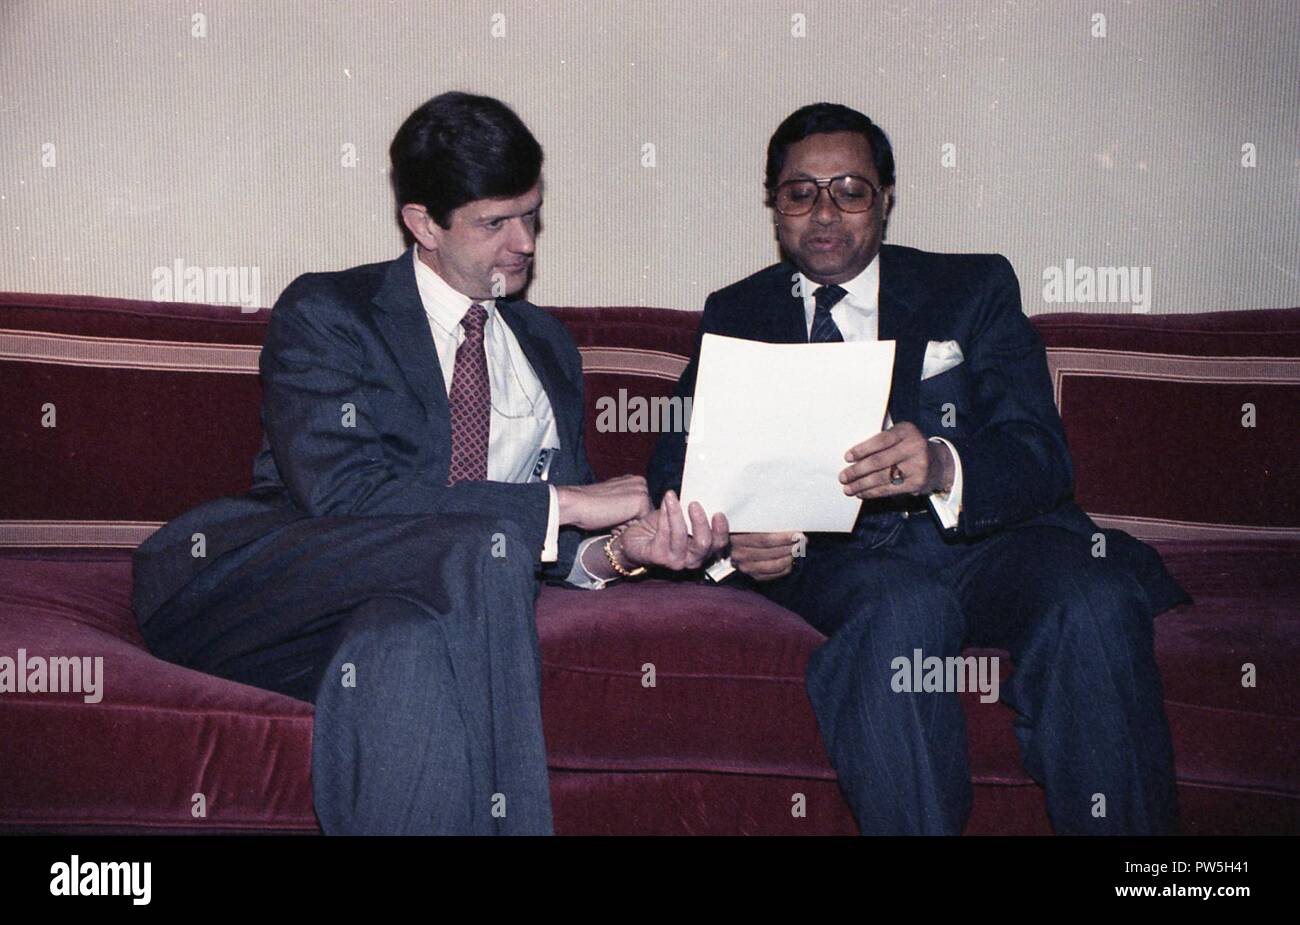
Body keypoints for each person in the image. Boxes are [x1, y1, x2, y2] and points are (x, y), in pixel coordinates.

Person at [132, 92, 727, 835]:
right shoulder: (330, 314)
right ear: (422, 223)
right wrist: (563, 504)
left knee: (406, 654)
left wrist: (620, 550)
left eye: (531, 214)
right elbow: (346, 496)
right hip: (266, 596)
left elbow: (553, 555)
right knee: (489, 538)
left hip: (403, 620)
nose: (525, 243)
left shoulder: (546, 348)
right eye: (494, 222)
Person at [647, 102, 1188, 835]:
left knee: (1092, 598)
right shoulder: (736, 312)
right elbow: (676, 465)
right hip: (835, 562)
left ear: (886, 199)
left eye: (851, 188)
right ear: (774, 205)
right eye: (800, 192)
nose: (825, 212)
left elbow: (1040, 452)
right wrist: (729, 543)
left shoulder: (973, 288)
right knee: (903, 611)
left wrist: (941, 463)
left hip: (991, 548)